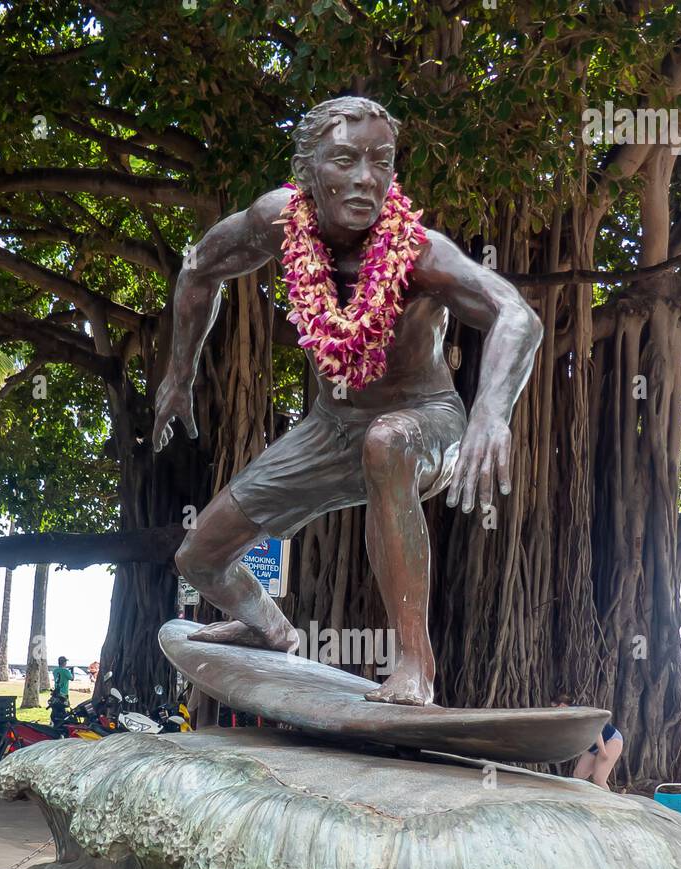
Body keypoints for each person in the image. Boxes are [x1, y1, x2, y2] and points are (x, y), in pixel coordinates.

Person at [153, 95, 542, 706]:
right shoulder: (277, 222)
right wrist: (179, 375)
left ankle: (416, 665)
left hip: (424, 424)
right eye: (344, 160)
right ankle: (269, 627)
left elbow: (515, 313)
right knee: (198, 559)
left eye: (381, 162)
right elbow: (200, 268)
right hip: (330, 428)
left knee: (387, 441)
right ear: (308, 170)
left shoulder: (418, 254)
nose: (366, 178)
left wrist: (492, 412)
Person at [552, 692, 624, 790]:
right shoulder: (567, 719)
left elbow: (595, 728)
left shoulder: (578, 712)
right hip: (593, 746)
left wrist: (602, 752)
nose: (553, 712)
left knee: (599, 779)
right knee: (578, 775)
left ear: (562, 705)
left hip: (611, 740)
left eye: (554, 708)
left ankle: (611, 803)